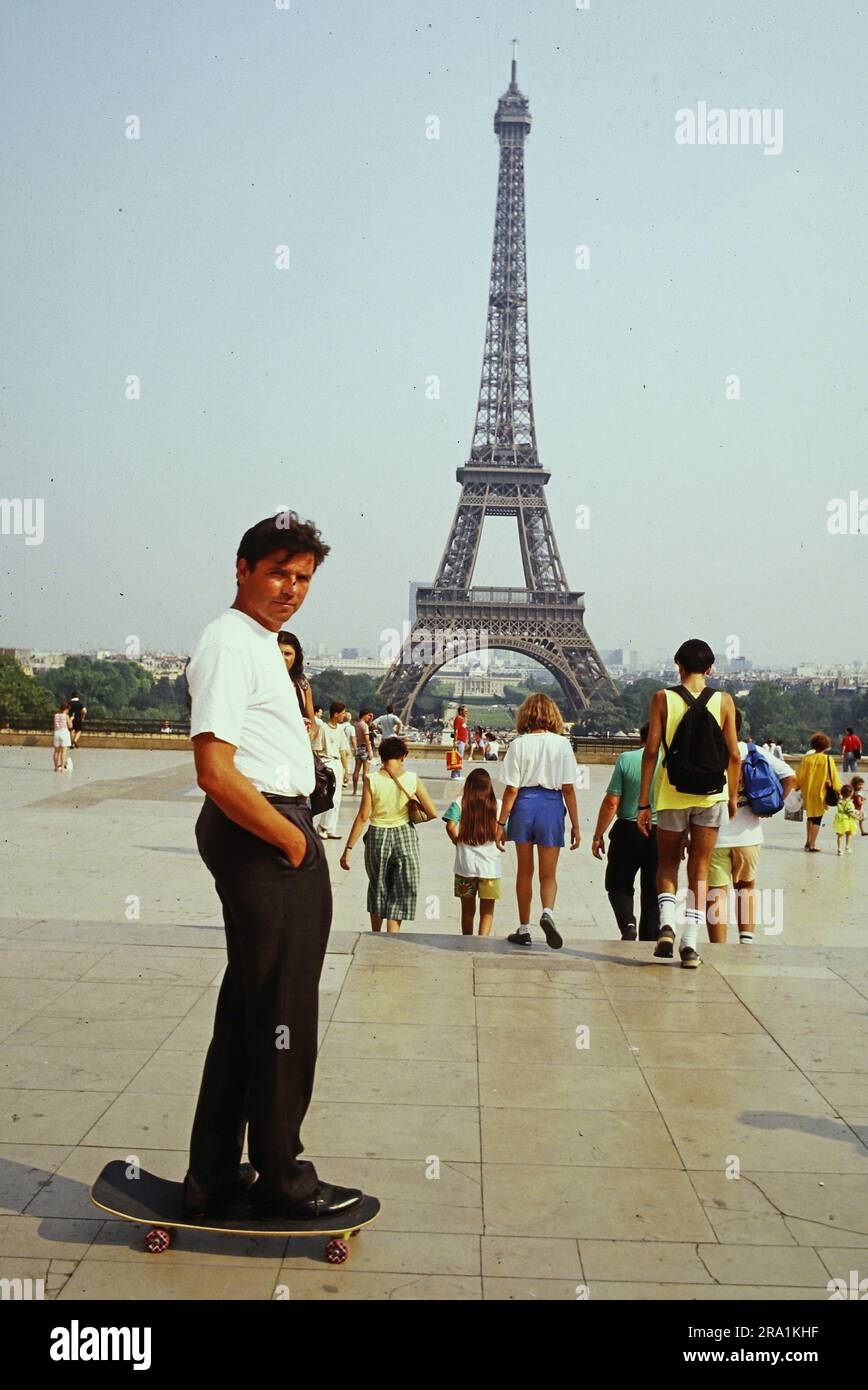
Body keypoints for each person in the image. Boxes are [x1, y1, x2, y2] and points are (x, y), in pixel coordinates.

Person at [184, 510, 364, 1222]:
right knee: (286, 1012)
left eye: (303, 578)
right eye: (278, 573)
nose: (291, 588)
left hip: (265, 828)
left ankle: (213, 1176)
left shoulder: (259, 642)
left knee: (251, 1012)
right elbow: (214, 770)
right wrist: (292, 843)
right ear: (242, 569)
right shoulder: (231, 642)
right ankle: (283, 1181)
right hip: (264, 831)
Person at [637, 639, 741, 969]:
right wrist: (733, 797)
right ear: (710, 668)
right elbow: (735, 755)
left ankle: (666, 922)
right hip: (711, 795)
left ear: (677, 664)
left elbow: (651, 752)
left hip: (672, 793)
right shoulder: (724, 701)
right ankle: (690, 944)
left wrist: (643, 803)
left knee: (667, 863)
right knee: (700, 868)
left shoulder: (662, 698)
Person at [497, 694, 580, 950]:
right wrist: (576, 824)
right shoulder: (562, 745)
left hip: (524, 804)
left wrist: (500, 824)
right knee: (548, 873)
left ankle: (524, 928)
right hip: (551, 806)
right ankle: (548, 913)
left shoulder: (518, 745)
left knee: (524, 871)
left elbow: (511, 789)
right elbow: (568, 788)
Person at [705, 711, 795, 944]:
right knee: (746, 888)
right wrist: (770, 805)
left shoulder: (707, 753)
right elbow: (790, 777)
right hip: (749, 834)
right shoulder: (754, 751)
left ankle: (718, 945)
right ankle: (746, 939)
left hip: (713, 835)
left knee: (716, 893)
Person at [341, 736, 436, 932]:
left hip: (377, 836)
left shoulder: (371, 779)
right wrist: (416, 818)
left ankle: (375, 933)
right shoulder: (412, 779)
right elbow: (433, 812)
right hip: (405, 835)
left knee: (378, 886)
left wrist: (348, 849)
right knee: (402, 888)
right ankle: (393, 935)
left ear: (382, 757)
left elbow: (362, 816)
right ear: (403, 757)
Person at [591, 721, 661, 942]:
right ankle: (650, 937)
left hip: (627, 830)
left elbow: (612, 802)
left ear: (641, 739)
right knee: (654, 891)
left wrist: (598, 834)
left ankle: (627, 923)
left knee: (618, 884)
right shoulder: (670, 764)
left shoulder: (626, 759)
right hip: (661, 832)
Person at [442, 767, 504, 936]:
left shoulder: (460, 802)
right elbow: (505, 831)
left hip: (465, 866)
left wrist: (455, 840)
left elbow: (450, 826)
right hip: (490, 868)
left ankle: (466, 939)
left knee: (467, 911)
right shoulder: (498, 805)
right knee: (487, 911)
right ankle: (482, 940)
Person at [794, 733, 842, 851]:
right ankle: (812, 844)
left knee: (810, 816)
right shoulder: (827, 759)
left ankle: (807, 841)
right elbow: (834, 777)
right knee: (817, 818)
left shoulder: (806, 759)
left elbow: (799, 776)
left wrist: (797, 787)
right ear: (826, 746)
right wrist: (839, 789)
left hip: (808, 792)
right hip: (821, 792)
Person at [312, 701, 347, 839]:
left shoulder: (340, 730)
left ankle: (330, 827)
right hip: (328, 763)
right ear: (336, 714)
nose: (344, 715)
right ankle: (323, 826)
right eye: (343, 713)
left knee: (338, 798)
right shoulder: (323, 728)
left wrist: (345, 769)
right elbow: (317, 750)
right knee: (331, 796)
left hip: (337, 763)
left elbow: (343, 750)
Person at [277, 631, 315, 728]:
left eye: (287, 654)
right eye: (278, 652)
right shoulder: (257, 681)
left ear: (296, 658)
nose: (282, 658)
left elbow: (313, 725)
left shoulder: (302, 685)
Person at [352, 709, 374, 794]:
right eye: (368, 715)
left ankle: (354, 790)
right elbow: (367, 740)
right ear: (364, 715)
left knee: (356, 770)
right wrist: (370, 752)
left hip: (359, 748)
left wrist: (371, 719)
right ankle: (365, 792)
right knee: (365, 771)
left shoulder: (357, 724)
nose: (369, 717)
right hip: (365, 748)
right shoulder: (364, 726)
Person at [834, 785, 858, 855]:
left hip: (839, 820)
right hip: (847, 821)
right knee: (848, 834)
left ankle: (839, 849)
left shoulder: (839, 801)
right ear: (851, 793)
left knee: (839, 835)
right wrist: (858, 818)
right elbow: (850, 813)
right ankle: (847, 847)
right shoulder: (849, 803)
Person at [52, 700, 73, 770]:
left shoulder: (55, 715)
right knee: (63, 752)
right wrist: (71, 719)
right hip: (64, 733)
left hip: (57, 733)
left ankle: (55, 768)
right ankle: (62, 768)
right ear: (66, 709)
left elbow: (55, 725)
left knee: (56, 752)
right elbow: (70, 726)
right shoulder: (66, 716)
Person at [451, 705, 469, 780]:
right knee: (458, 758)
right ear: (461, 711)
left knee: (458, 758)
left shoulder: (462, 719)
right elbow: (456, 730)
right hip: (459, 741)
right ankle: (455, 775)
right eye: (465, 711)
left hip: (462, 741)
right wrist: (455, 741)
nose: (467, 713)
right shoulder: (458, 719)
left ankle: (456, 774)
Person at [340, 711, 356, 786]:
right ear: (350, 718)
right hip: (348, 748)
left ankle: (340, 779)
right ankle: (345, 781)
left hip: (340, 748)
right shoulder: (351, 728)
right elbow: (353, 740)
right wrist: (355, 749)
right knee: (347, 765)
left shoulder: (339, 726)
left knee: (341, 764)